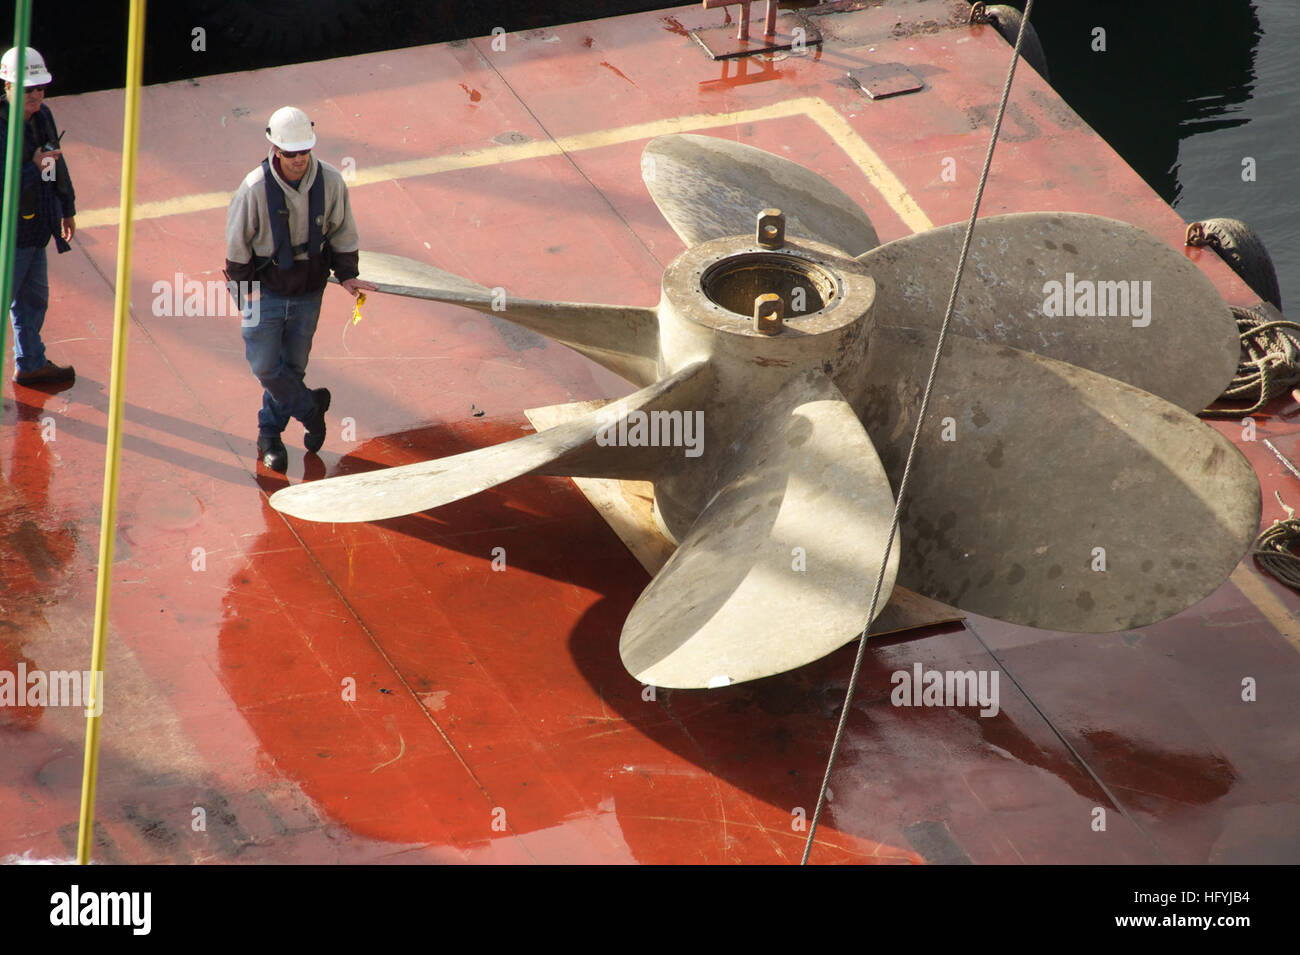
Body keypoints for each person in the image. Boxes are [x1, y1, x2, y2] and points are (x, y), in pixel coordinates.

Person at [225, 105, 375, 472]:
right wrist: (245, 298)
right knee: (264, 366)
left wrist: (348, 273)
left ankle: (269, 435)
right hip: (265, 291)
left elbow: (343, 230)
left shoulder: (332, 182)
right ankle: (310, 408)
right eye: (290, 153)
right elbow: (237, 244)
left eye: (304, 152)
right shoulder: (254, 189)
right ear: (274, 149)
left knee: (292, 367)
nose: (297, 159)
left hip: (309, 291)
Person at [1, 47, 76, 385]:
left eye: (40, 88)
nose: (35, 95)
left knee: (33, 302)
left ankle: (31, 363)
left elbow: (54, 163)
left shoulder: (43, 117)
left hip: (35, 231)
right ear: (7, 87)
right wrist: (32, 167)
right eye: (28, 89)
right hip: (8, 238)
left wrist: (66, 209)